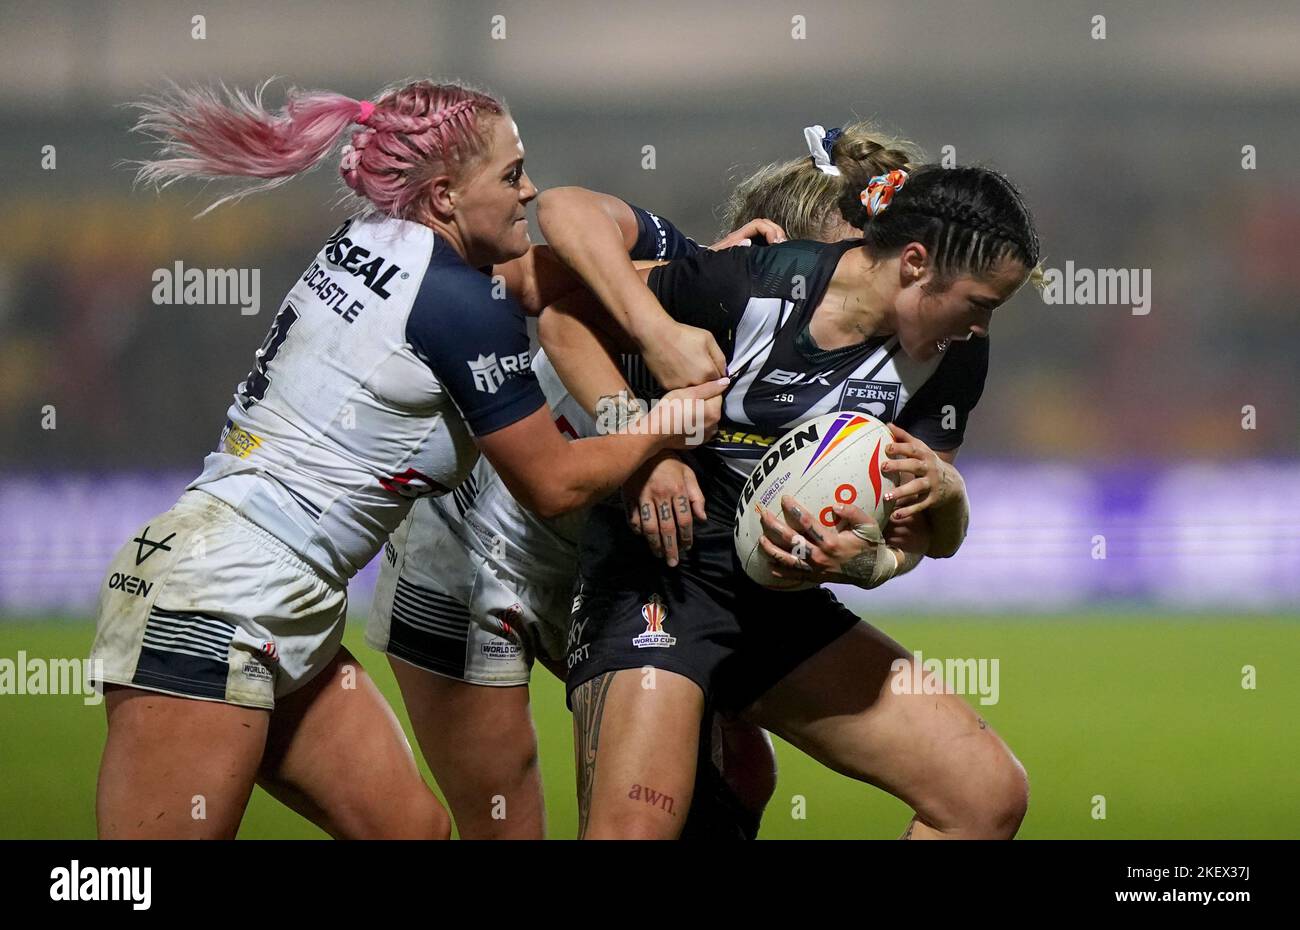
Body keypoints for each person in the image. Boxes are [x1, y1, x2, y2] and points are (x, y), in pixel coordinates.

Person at [89, 78, 723, 839]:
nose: (531, 192)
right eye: (512, 175)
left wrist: (707, 274)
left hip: (277, 586)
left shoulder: (379, 242)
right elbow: (553, 484)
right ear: (447, 195)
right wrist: (663, 428)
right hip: (216, 595)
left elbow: (546, 277)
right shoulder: (459, 305)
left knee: (411, 832)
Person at [368, 123, 923, 839]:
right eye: (850, 259)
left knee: (742, 775)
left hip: (608, 576)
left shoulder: (829, 371)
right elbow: (563, 232)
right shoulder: (689, 281)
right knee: (503, 825)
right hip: (468, 561)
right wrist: (643, 432)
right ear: (772, 244)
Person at [543, 161, 1041, 839]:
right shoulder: (757, 284)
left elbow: (921, 530)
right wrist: (639, 449)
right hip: (658, 579)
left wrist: (876, 559)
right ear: (917, 264)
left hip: (774, 603)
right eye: (981, 302)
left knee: (986, 796)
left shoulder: (954, 357)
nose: (982, 326)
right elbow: (566, 322)